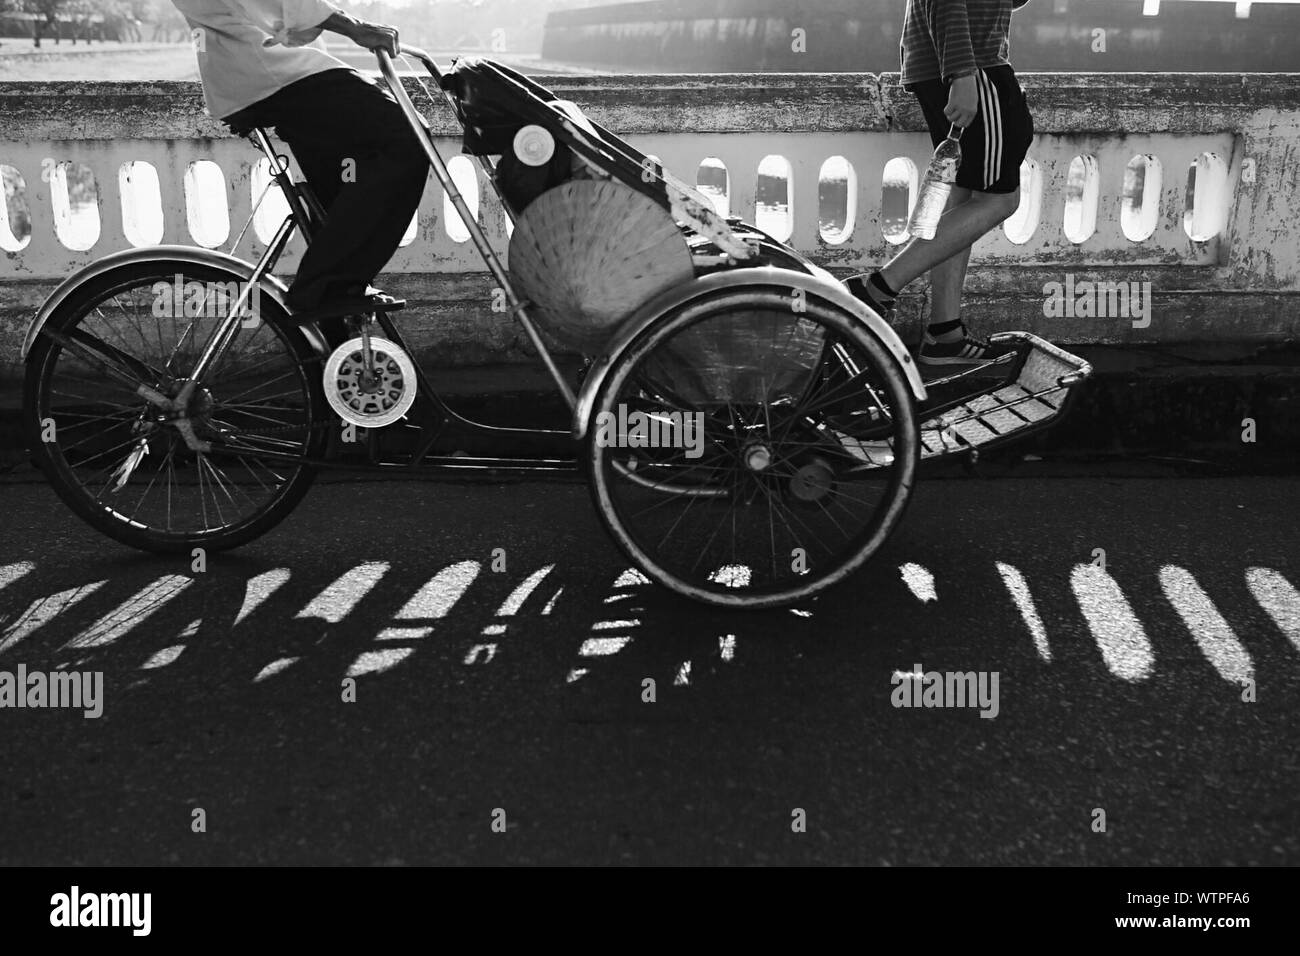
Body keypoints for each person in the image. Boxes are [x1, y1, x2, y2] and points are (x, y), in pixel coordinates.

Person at [168, 0, 430, 316]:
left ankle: (333, 315)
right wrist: (353, 27)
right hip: (268, 70)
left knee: (342, 189)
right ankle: (324, 287)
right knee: (408, 135)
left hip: (257, 72)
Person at [845, 0, 1035, 366]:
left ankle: (945, 335)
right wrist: (963, 74)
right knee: (1000, 199)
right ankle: (875, 290)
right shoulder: (967, 68)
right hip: (971, 66)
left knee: (963, 197)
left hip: (950, 64)